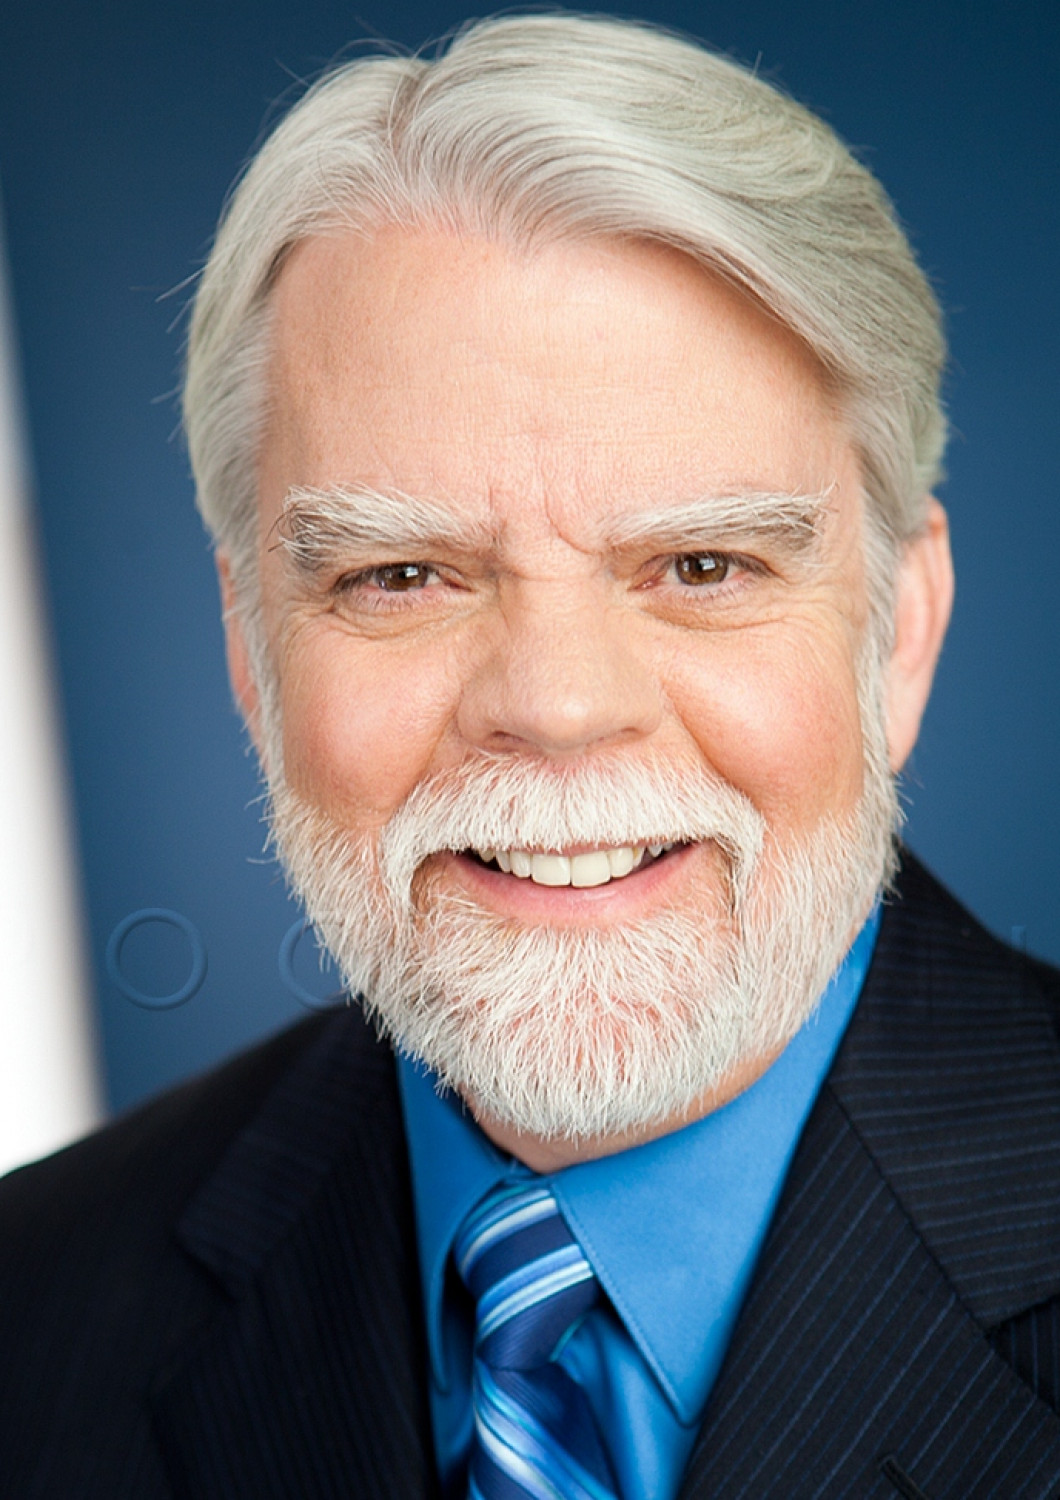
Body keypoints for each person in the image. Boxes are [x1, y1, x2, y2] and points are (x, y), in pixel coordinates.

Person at [1, 12, 1058, 1499]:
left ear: (901, 632)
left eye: (701, 564)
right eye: (402, 577)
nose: (557, 709)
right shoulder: (33, 1310)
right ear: (250, 647)